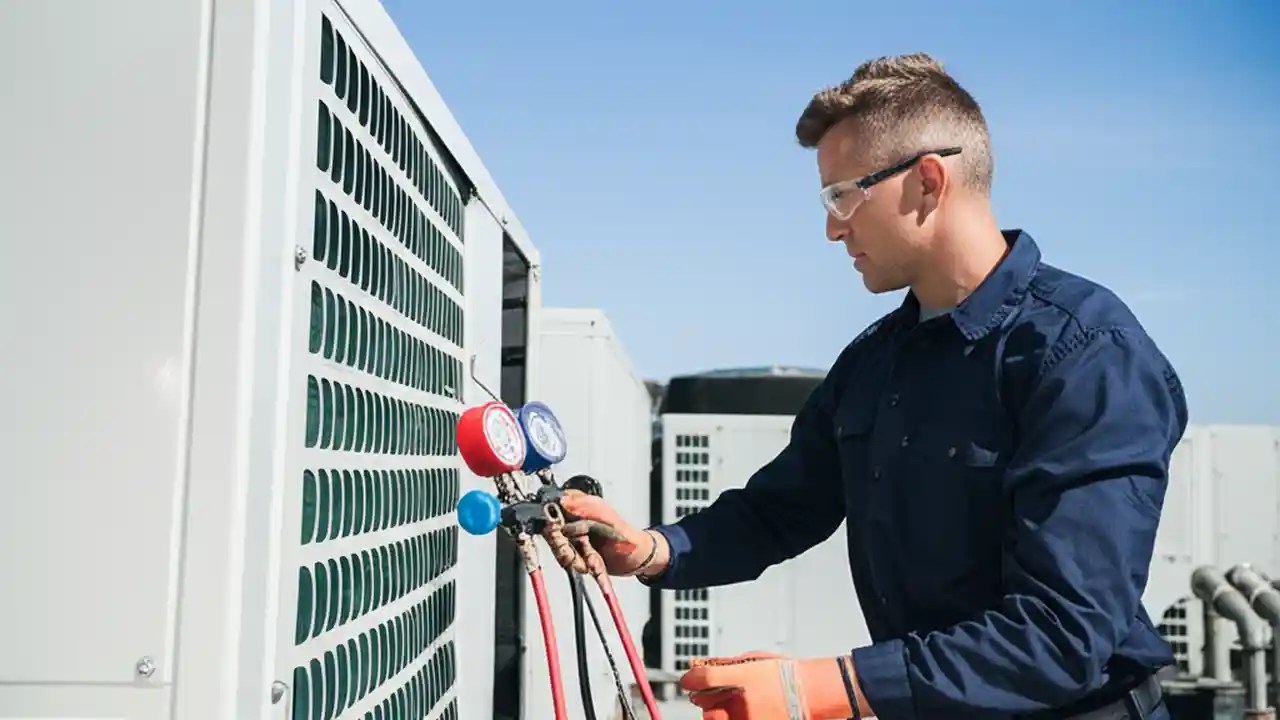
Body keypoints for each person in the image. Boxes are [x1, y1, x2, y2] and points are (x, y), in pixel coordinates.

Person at [552, 52, 1188, 720]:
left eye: (843, 195)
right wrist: (649, 550)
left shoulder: (1085, 354)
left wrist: (818, 690)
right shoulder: (875, 361)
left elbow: (1062, 635)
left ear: (928, 181)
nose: (832, 228)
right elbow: (779, 510)